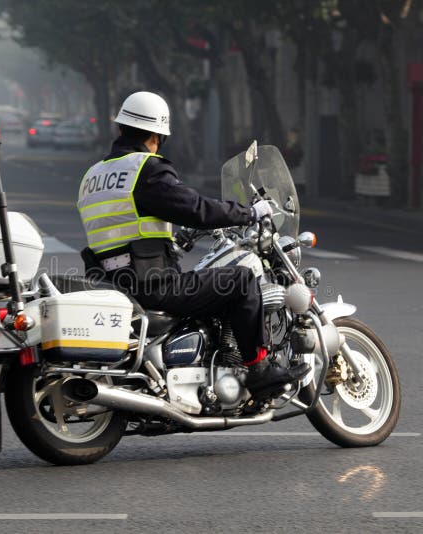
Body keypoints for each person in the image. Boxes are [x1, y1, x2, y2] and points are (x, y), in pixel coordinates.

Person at [76, 91, 308, 399]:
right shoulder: (145, 169)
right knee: (240, 280)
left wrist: (173, 239)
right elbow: (197, 208)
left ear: (121, 129)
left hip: (112, 285)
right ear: (156, 135)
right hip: (153, 284)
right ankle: (259, 368)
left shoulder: (93, 176)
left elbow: (125, 226)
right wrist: (250, 212)